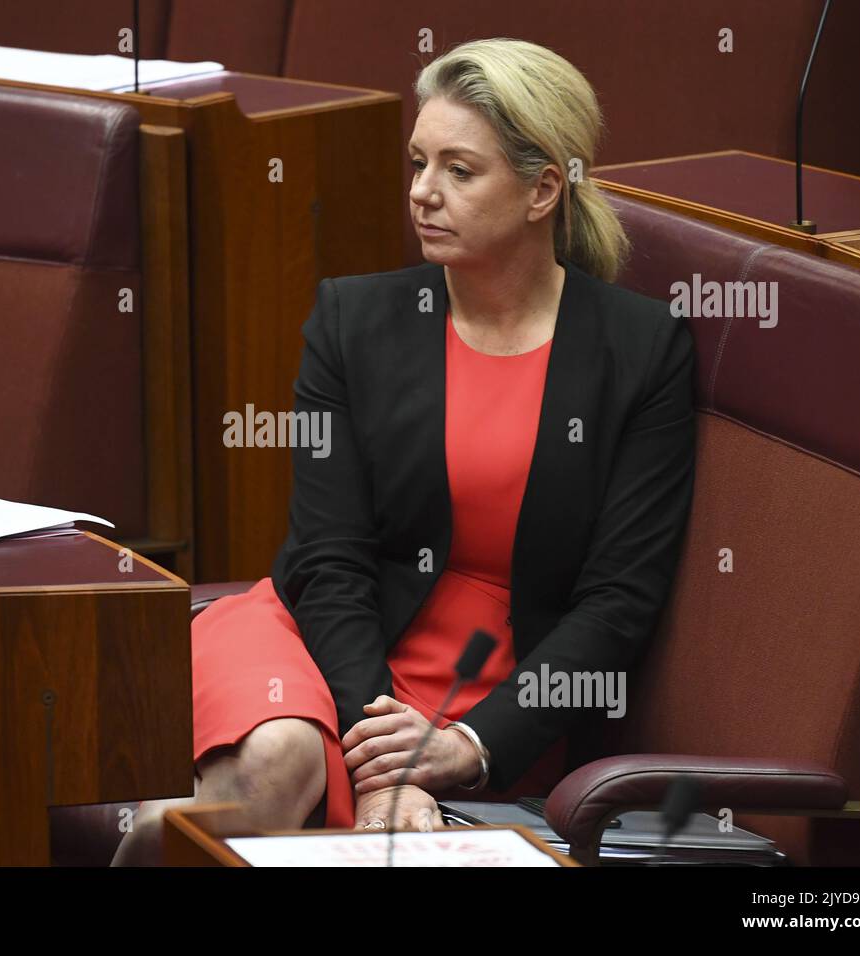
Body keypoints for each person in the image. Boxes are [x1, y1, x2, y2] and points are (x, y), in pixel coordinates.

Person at [110, 37, 696, 866]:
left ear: (542, 190)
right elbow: (330, 558)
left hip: (496, 702)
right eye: (418, 163)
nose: (423, 191)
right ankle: (171, 838)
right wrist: (383, 757)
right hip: (321, 649)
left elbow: (618, 602)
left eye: (460, 171)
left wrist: (467, 746)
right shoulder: (354, 323)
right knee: (274, 761)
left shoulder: (639, 350)